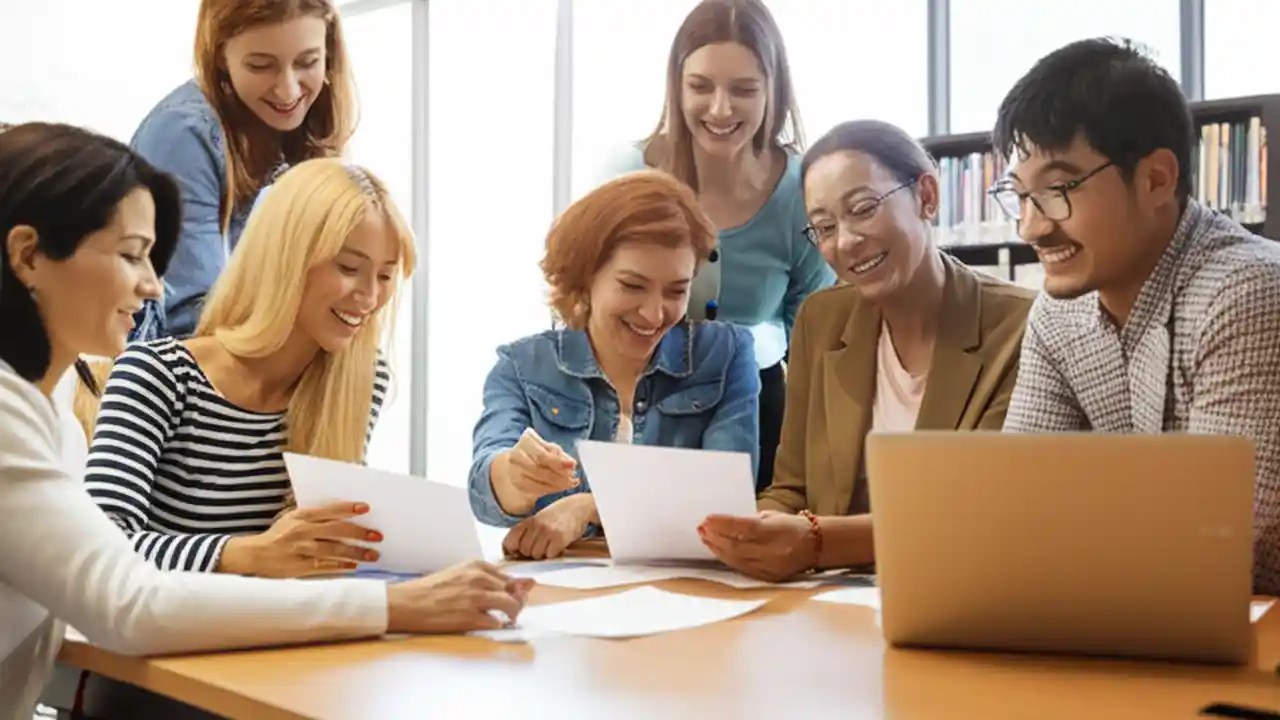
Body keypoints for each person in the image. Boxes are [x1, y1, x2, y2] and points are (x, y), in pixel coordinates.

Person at [0, 123, 530, 720]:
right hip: (172, 683)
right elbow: (124, 594)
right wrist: (385, 602)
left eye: (385, 276)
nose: (153, 286)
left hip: (278, 661)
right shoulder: (101, 390)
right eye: (131, 255)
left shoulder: (52, 418)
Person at [992, 38, 1280, 596]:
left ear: (1156, 180)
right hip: (1145, 624)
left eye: (1056, 191)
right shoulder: (1059, 312)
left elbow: (1219, 549)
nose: (1030, 228)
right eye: (1019, 195)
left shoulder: (1247, 291)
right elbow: (1016, 510)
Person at [698, 120, 1036, 581]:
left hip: (957, 594)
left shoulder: (1022, 327)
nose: (846, 241)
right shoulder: (820, 321)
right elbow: (791, 490)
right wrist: (751, 530)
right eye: (824, 227)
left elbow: (985, 516)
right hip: (826, 608)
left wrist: (818, 542)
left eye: (863, 209)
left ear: (927, 196)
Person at [84, 157, 409, 580]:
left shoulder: (362, 381)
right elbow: (98, 546)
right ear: (287, 259)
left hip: (284, 633)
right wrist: (244, 555)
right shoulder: (157, 375)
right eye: (348, 268)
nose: (369, 296)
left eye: (385, 276)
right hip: (173, 636)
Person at [604, 0, 835, 492]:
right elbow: (581, 304)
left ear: (773, 90)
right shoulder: (628, 174)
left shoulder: (802, 190)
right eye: (701, 86)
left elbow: (815, 331)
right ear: (676, 85)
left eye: (744, 90)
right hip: (635, 404)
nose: (721, 109)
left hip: (758, 408)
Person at [469, 170, 761, 560]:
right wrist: (516, 476)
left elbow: (725, 505)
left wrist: (589, 506)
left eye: (677, 290)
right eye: (632, 286)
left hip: (688, 591)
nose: (655, 314)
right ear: (585, 277)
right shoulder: (521, 367)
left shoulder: (726, 355)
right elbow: (483, 489)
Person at [129, 0, 357, 340]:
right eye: (261, 66)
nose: (288, 90)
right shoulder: (184, 134)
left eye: (308, 62)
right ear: (220, 56)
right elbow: (193, 323)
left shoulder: (302, 128)